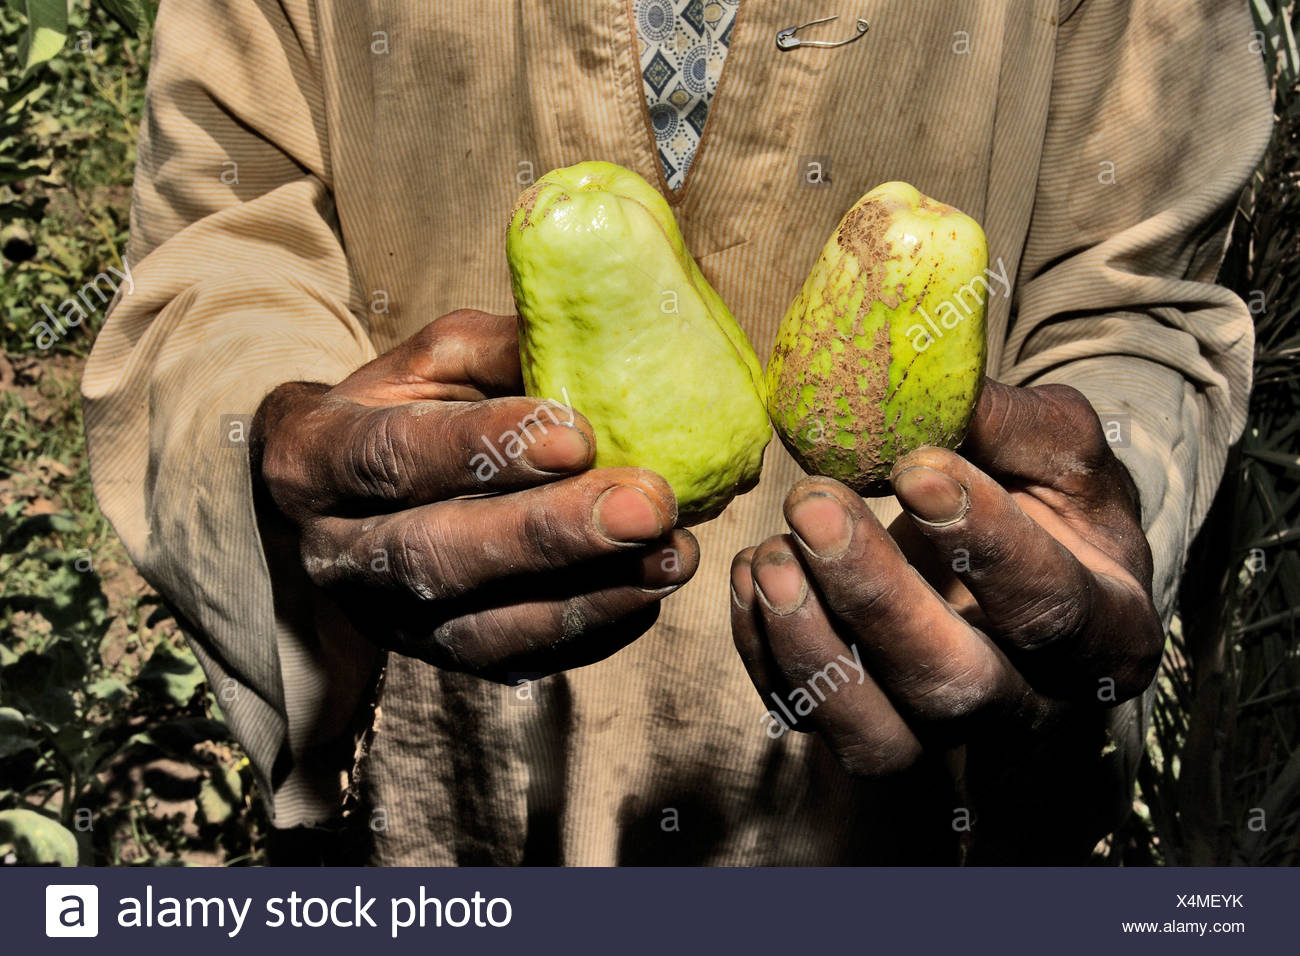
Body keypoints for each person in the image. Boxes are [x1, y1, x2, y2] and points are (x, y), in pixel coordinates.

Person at [82, 0, 1273, 864]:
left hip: (916, 832)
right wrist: (286, 448)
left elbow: (1137, 299)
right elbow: (219, 240)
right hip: (440, 810)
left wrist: (1081, 542)